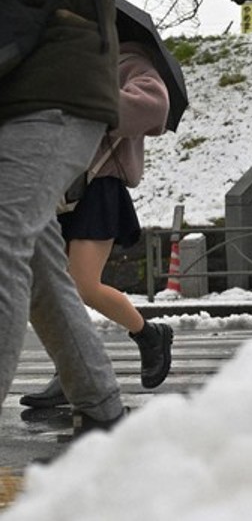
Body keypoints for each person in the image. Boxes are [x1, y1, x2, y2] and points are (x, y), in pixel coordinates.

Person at [0, 0, 128, 433]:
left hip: (60, 81)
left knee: (4, 232)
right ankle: (100, 403)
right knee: (38, 259)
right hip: (14, 81)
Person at [20, 40, 173, 410]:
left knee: (83, 285)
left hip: (99, 186)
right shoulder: (69, 57)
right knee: (49, 287)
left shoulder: (130, 60)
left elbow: (155, 106)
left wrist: (92, 97)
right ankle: (69, 369)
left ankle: (149, 335)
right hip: (59, 186)